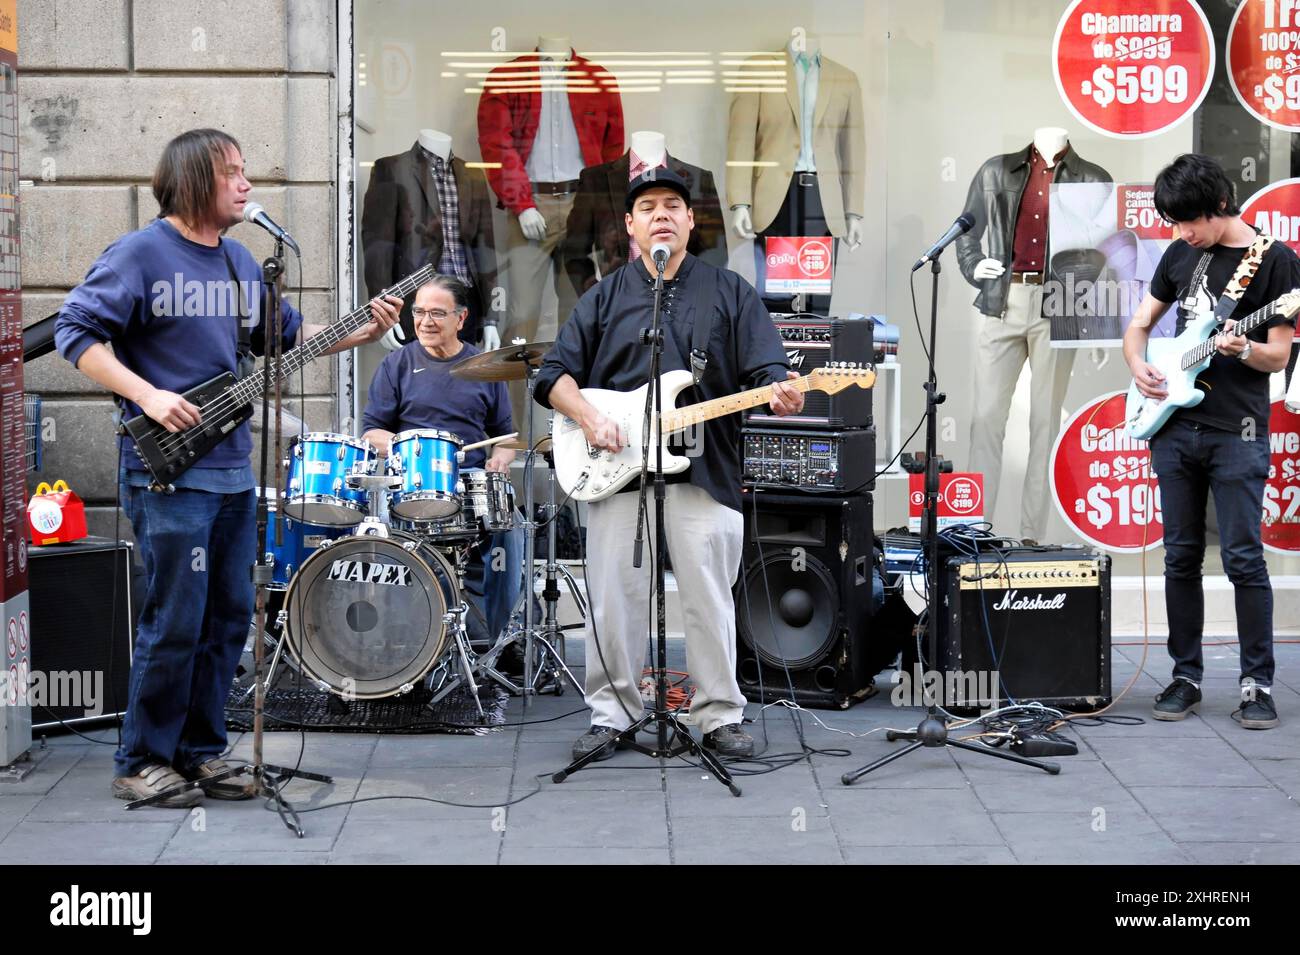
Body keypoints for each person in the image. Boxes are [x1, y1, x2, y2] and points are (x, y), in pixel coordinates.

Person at [55, 128, 400, 805]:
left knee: (229, 616)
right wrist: (148, 393)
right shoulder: (141, 254)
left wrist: (359, 329)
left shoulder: (244, 263)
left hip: (234, 471)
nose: (247, 185)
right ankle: (141, 759)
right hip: (170, 472)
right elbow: (75, 331)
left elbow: (289, 337)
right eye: (232, 173)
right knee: (175, 616)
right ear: (192, 179)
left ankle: (200, 751)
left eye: (247, 171)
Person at [534, 167, 805, 761]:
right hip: (616, 475)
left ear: (689, 221)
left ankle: (718, 716)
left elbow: (767, 370)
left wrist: (783, 388)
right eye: (648, 207)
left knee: (709, 598)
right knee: (613, 598)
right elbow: (552, 375)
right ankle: (613, 714)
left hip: (706, 470)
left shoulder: (730, 292)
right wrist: (587, 418)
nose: (661, 214)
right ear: (630, 225)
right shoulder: (603, 295)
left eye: (673, 206)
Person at [1124, 153, 1300, 731]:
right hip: (1173, 427)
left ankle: (1257, 684)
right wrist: (1137, 367)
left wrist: (1242, 349)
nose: (1180, 234)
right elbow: (1140, 327)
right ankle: (1186, 676)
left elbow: (1277, 352)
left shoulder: (1275, 263)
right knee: (1180, 557)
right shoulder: (1181, 256)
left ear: (1219, 206)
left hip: (1237, 431)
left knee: (1245, 559)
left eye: (1188, 222)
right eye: (1174, 224)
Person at [361, 275, 523, 650]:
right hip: (412, 482)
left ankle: (502, 640)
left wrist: (499, 459)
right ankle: (405, 642)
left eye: (437, 313)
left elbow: (507, 437)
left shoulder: (486, 367)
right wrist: (406, 446)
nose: (425, 321)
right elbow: (372, 432)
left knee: (509, 528)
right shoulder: (396, 365)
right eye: (419, 312)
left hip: (471, 483)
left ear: (461, 319)